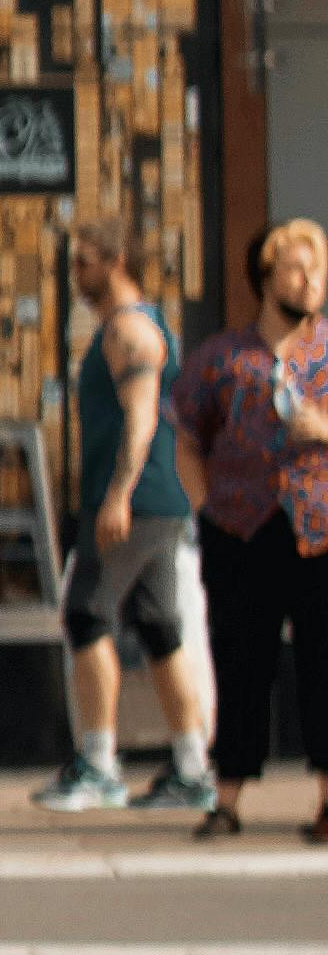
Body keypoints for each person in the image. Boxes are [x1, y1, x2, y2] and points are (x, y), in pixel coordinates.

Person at [34, 217, 215, 813]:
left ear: (116, 261)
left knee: (87, 614)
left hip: (135, 503)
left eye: (84, 262)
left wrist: (117, 494)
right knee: (160, 629)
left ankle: (99, 765)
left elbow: (142, 416)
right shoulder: (139, 325)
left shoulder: (130, 330)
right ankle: (191, 769)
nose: (76, 274)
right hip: (160, 502)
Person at [173, 215, 328, 842]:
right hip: (240, 528)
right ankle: (228, 798)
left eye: (318, 269)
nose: (311, 280)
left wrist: (322, 429)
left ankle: (327, 802)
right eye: (296, 268)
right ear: (266, 278)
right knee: (240, 664)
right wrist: (205, 508)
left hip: (320, 529)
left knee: (325, 665)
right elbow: (187, 439)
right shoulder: (221, 358)